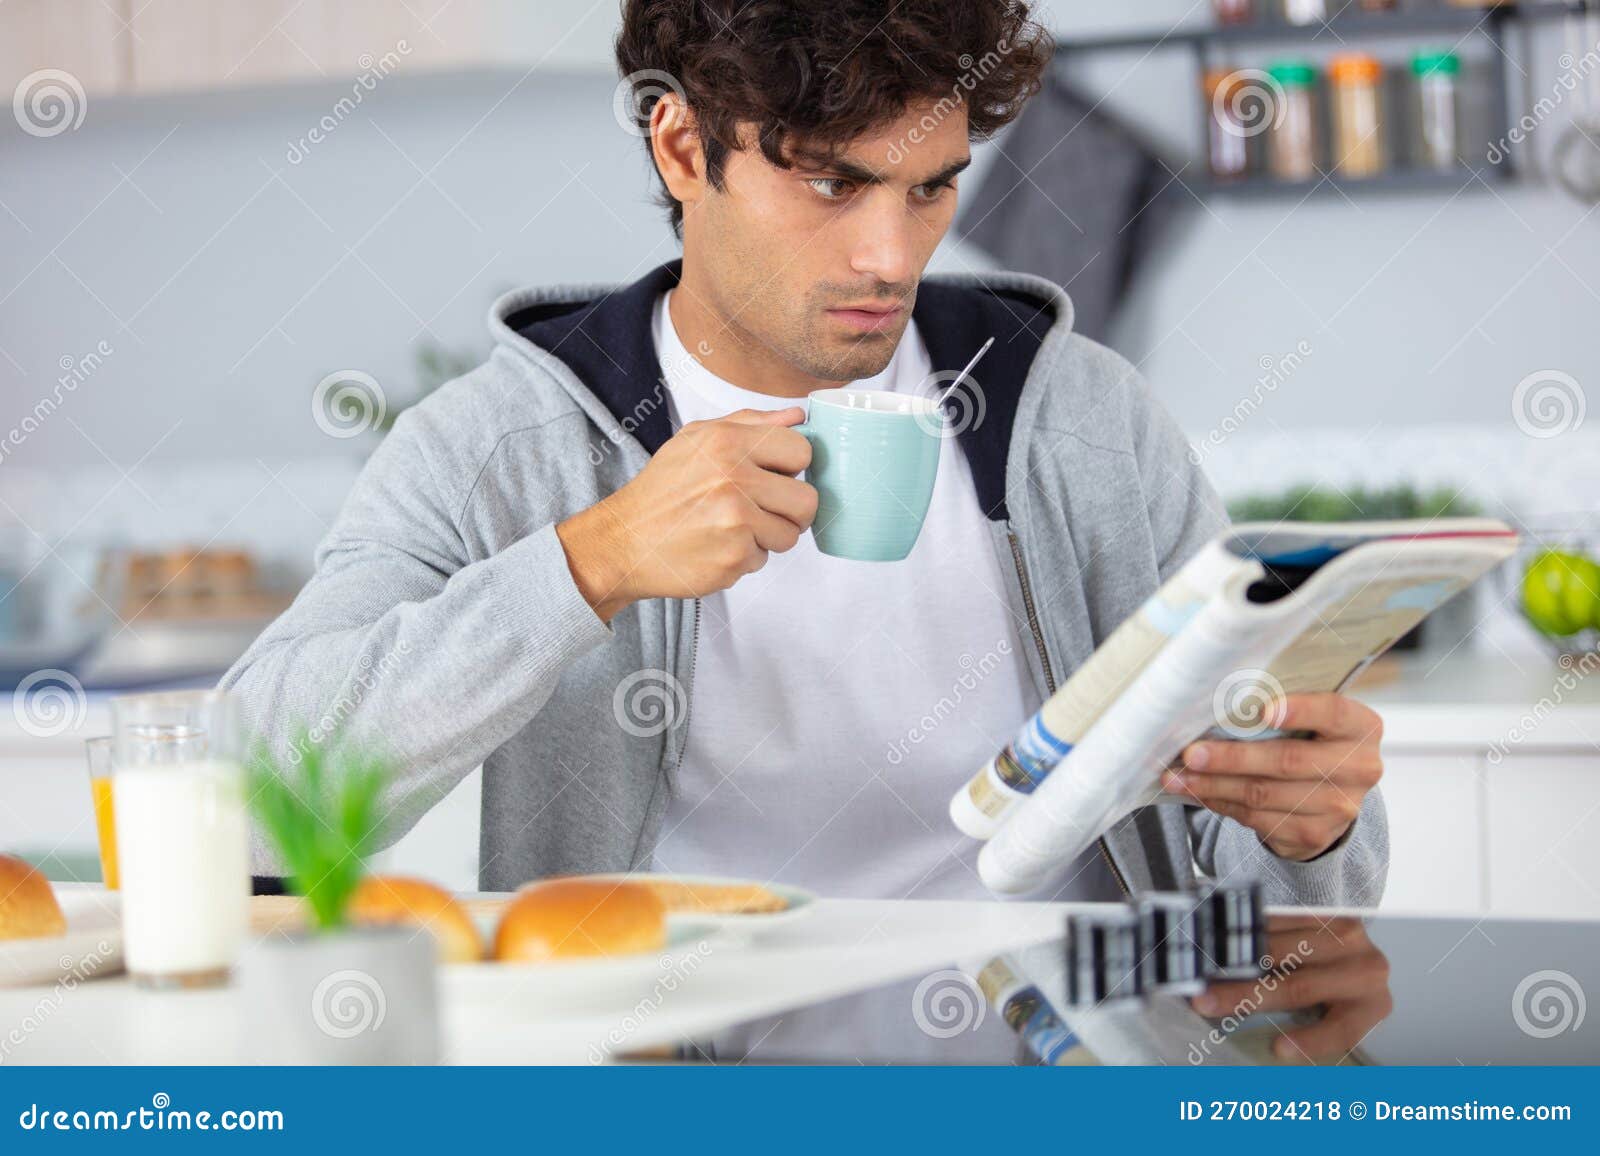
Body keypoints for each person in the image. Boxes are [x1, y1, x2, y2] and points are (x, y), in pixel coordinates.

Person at [223, 0, 1387, 907]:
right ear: (681, 146)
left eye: (932, 189)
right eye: (834, 183)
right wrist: (589, 564)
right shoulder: (500, 447)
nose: (891, 255)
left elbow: (1284, 883)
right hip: (677, 1074)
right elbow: (249, 796)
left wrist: (1309, 824)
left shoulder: (1082, 419)